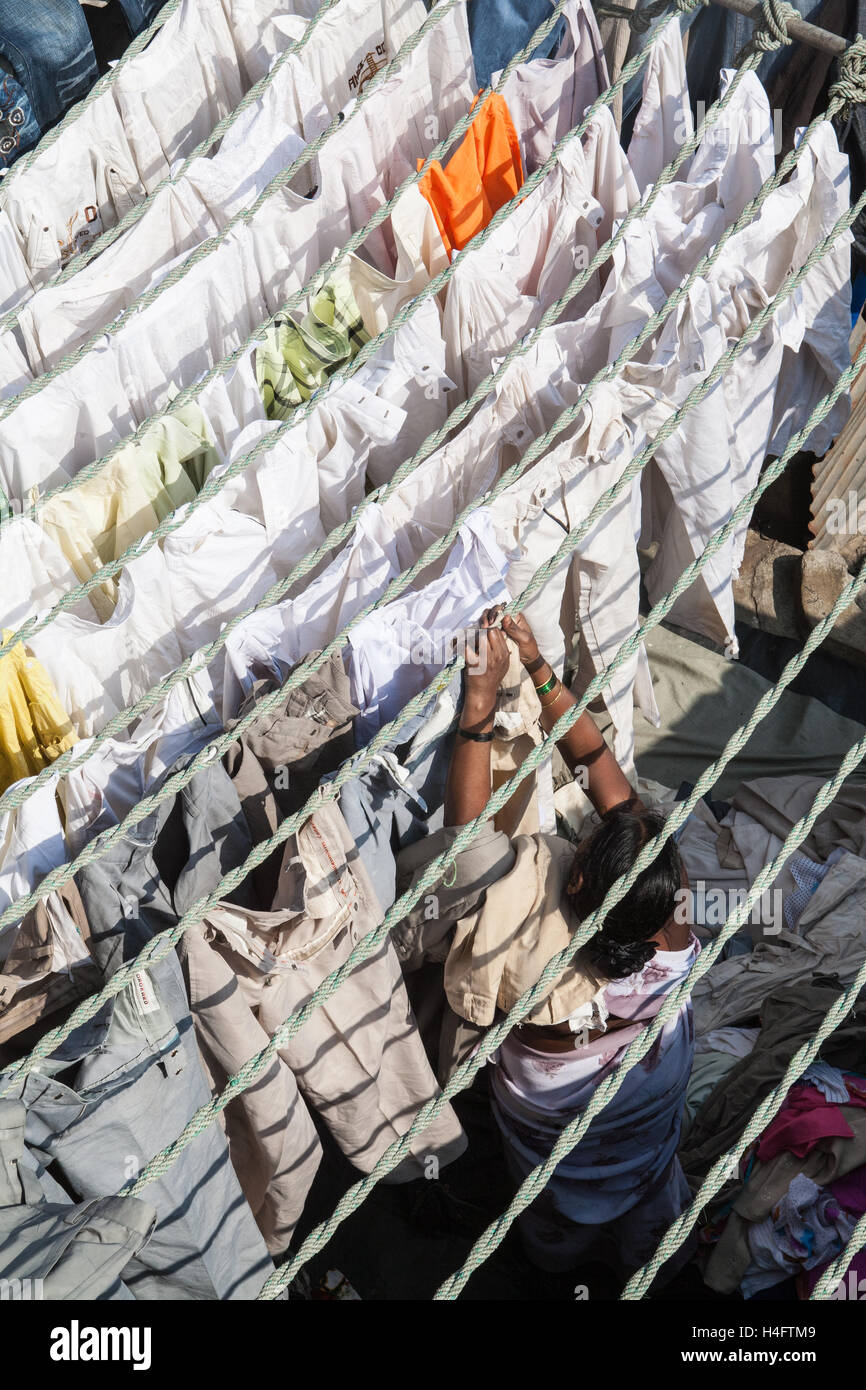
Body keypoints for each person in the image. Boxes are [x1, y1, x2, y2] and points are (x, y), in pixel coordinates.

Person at [434, 605, 700, 1282]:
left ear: (577, 874)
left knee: (555, 1232)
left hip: (554, 1150)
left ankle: (556, 1275)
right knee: (649, 1236)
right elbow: (602, 771)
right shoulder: (668, 925)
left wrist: (481, 697)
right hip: (644, 1144)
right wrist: (539, 666)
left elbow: (467, 841)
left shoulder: (533, 963)